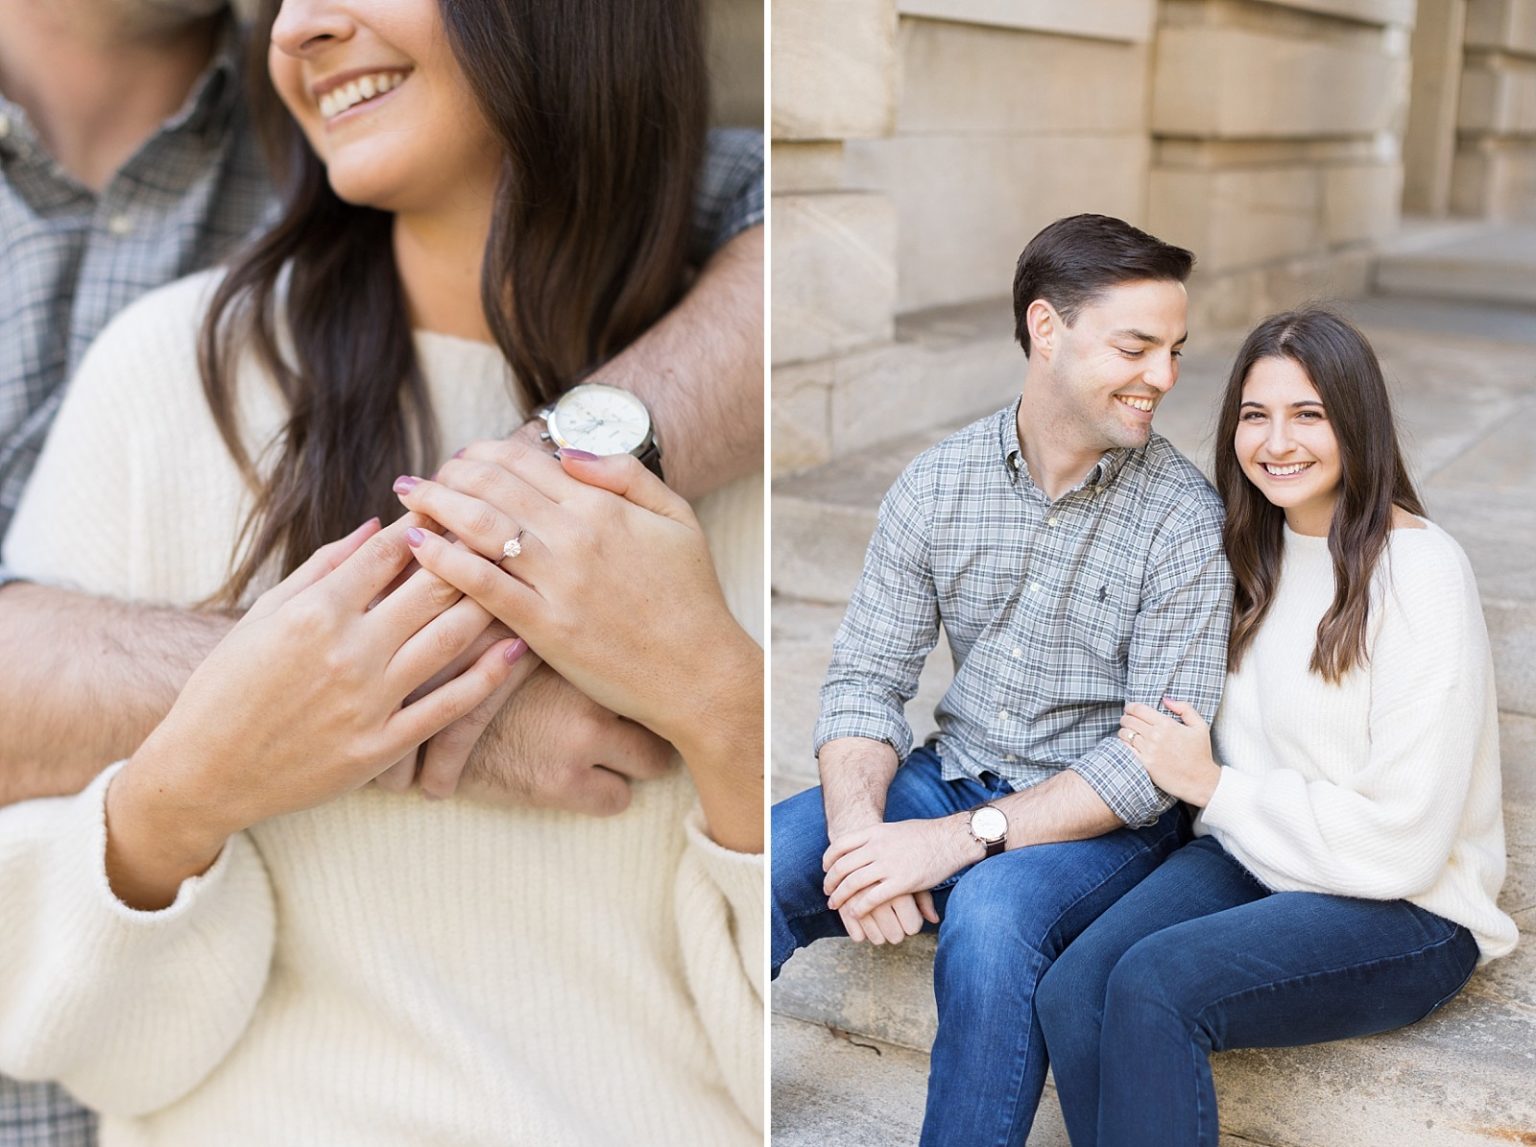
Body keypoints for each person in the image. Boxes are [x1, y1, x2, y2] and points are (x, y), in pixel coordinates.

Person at [0, 0, 763, 1142]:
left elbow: (794, 1068)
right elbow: (109, 1052)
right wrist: (191, 785)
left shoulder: (741, 422)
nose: (299, 25)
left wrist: (725, 710)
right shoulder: (171, 380)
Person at [770, 214, 1233, 1145]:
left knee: (991, 916)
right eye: (1136, 347)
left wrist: (954, 842)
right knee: (772, 858)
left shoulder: (1185, 519)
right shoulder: (937, 485)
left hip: (1106, 821)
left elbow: (1146, 771)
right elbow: (865, 679)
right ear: (1047, 328)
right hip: (956, 765)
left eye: (1175, 351)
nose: (1165, 378)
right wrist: (866, 840)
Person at [1036, 308, 1517, 1147]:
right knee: (1073, 985)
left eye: (1309, 414)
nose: (1277, 441)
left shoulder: (1420, 573)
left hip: (1404, 904)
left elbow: (1401, 843)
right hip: (1260, 854)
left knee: (1154, 982)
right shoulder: (1247, 551)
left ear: (1356, 422)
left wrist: (1216, 786)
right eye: (1256, 415)